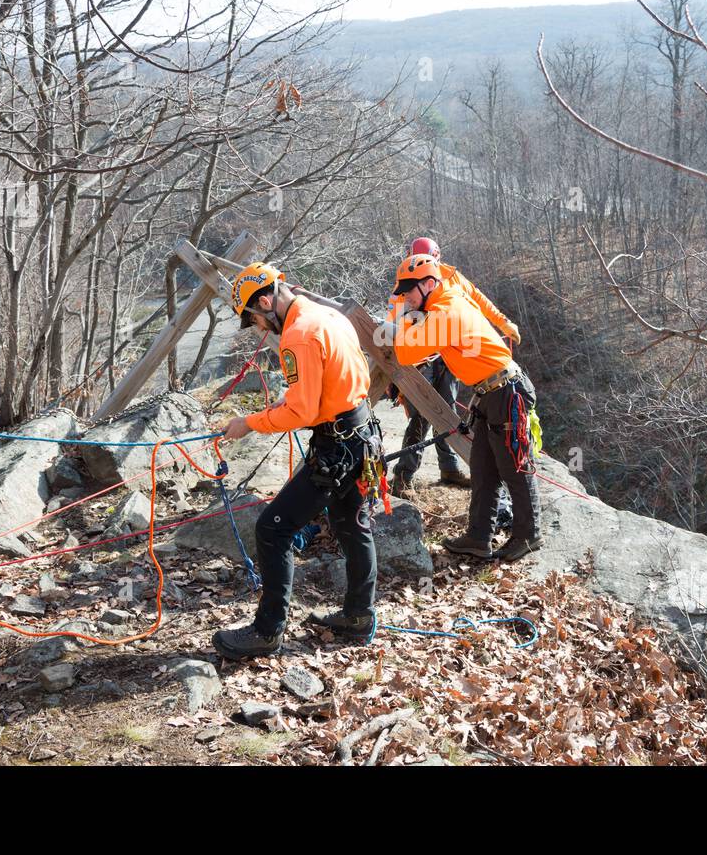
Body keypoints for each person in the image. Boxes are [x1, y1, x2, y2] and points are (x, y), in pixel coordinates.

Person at [213, 261, 383, 659]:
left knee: (273, 529)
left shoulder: (297, 336)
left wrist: (249, 423)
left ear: (267, 301)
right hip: (361, 435)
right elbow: (328, 383)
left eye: (255, 318)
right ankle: (359, 616)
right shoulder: (326, 315)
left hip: (336, 447)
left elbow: (302, 413)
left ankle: (267, 631)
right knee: (352, 525)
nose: (258, 328)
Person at [384, 253, 542, 562]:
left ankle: (528, 534)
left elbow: (404, 351)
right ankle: (479, 536)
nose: (404, 297)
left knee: (514, 466)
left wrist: (401, 318)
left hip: (506, 393)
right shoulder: (446, 300)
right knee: (483, 468)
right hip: (491, 392)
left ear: (429, 284)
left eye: (409, 290)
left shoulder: (446, 311)